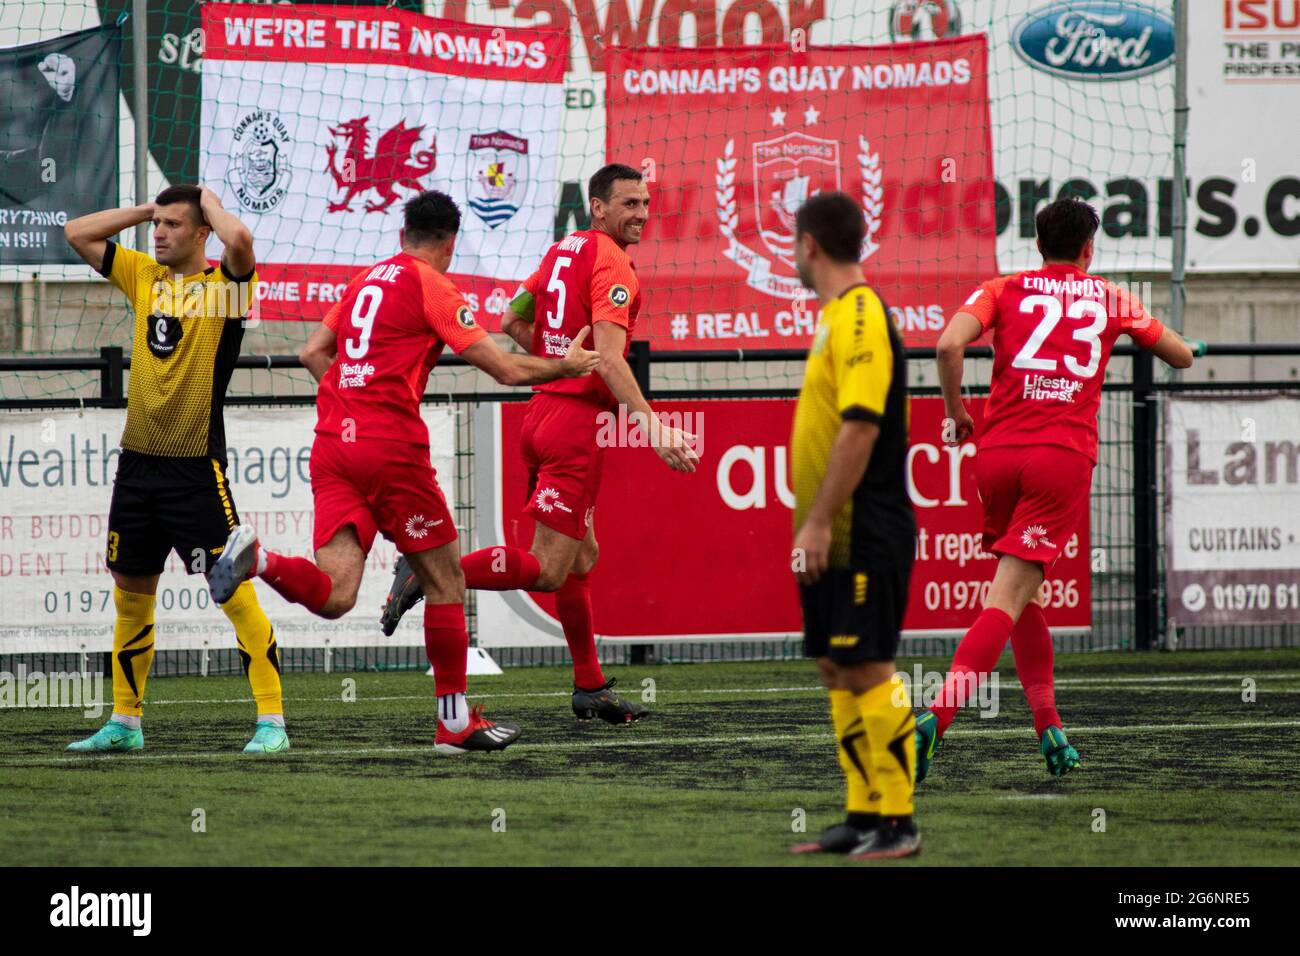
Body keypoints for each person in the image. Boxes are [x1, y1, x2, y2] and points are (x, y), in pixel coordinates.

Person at [207, 190, 600, 756]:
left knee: (338, 595)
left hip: (333, 447)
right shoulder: (433, 286)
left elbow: (314, 351)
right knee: (445, 581)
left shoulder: (367, 279)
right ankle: (453, 724)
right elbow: (507, 369)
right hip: (390, 452)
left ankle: (259, 559)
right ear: (450, 243)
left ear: (402, 235)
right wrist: (565, 365)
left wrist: (350, 403)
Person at [379, 164, 698, 725]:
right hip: (572, 428)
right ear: (598, 207)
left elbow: (511, 319)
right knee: (550, 569)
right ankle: (428, 569)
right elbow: (611, 356)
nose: (641, 214)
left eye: (646, 203)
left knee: (582, 557)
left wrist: (557, 361)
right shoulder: (611, 261)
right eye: (628, 204)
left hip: (542, 414)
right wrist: (652, 424)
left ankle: (590, 685)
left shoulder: (563, 250)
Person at [914, 197, 1195, 780]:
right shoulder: (1112, 297)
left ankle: (1049, 728)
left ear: (1038, 244)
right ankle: (936, 720)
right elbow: (1180, 355)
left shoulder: (1004, 287)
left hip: (997, 457)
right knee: (1007, 599)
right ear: (1089, 249)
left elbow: (947, 345)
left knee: (1024, 598)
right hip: (1059, 460)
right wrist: (1193, 348)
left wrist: (958, 412)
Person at [64, 185, 287, 754]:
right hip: (137, 468)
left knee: (232, 590)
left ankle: (272, 723)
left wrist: (206, 202)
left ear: (201, 232)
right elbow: (77, 233)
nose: (158, 233)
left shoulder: (225, 292)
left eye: (171, 225)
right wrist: (148, 208)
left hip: (196, 471)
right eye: (155, 224)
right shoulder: (144, 276)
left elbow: (240, 238)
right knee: (131, 596)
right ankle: (125, 723)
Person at [785, 192, 920, 860]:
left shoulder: (862, 313)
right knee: (837, 667)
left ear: (810, 244)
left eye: (793, 241)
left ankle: (899, 821)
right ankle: (862, 815)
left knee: (867, 666)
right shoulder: (838, 315)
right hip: (832, 535)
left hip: (864, 527)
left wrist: (815, 523)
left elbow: (861, 425)